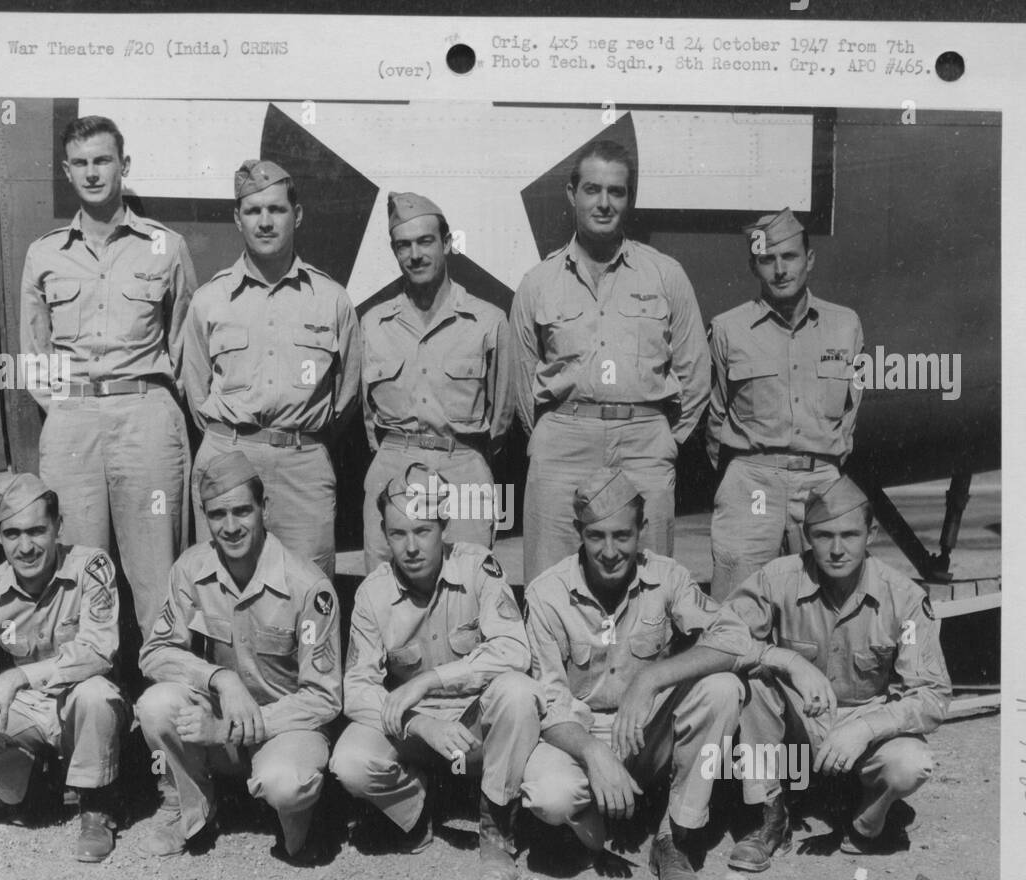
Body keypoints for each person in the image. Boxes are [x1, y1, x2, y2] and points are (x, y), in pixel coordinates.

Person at [692, 476, 952, 868]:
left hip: (863, 723)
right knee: (751, 680)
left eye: (849, 535)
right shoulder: (777, 579)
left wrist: (864, 728)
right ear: (806, 536)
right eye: (823, 535)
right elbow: (722, 638)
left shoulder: (904, 597)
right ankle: (769, 813)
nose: (835, 550)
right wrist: (785, 660)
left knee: (911, 763)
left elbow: (932, 694)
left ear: (872, 533)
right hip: (797, 726)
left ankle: (866, 816)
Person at [520, 468, 743, 880]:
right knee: (550, 796)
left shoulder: (669, 576)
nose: (609, 551)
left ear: (642, 531)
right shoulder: (546, 595)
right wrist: (593, 752)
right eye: (596, 536)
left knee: (722, 690)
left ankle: (674, 834)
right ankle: (591, 829)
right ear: (577, 533)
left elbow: (734, 638)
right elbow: (548, 704)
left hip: (646, 732)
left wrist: (652, 678)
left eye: (622, 536)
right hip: (578, 736)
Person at [20, 115, 198, 640]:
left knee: (157, 574)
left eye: (103, 160)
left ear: (124, 165)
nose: (93, 172)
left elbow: (185, 346)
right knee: (75, 574)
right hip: (72, 420)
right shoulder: (44, 253)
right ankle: (86, 704)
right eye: (81, 163)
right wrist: (67, 408)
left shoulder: (166, 246)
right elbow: (34, 354)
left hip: (146, 417)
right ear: (66, 171)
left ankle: (167, 706)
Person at [332, 464, 541, 880]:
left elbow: (514, 650)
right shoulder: (372, 593)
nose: (411, 547)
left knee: (518, 692)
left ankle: (496, 828)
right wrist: (418, 722)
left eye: (423, 531)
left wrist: (429, 680)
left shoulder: (479, 568)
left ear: (443, 526)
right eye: (397, 534)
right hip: (418, 735)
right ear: (384, 536)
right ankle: (415, 810)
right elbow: (355, 687)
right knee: (349, 760)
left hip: (472, 727)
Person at [511, 140, 710, 584]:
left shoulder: (665, 275)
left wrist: (663, 439)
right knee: (550, 583)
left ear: (629, 197)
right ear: (571, 193)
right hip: (563, 445)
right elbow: (522, 383)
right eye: (593, 190)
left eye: (616, 192)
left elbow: (696, 375)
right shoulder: (538, 283)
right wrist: (555, 432)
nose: (604, 203)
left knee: (652, 585)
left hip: (644, 445)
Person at [134, 451, 341, 862]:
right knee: (155, 705)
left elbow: (324, 698)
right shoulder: (191, 570)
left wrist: (232, 729)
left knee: (284, 785)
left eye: (242, 511)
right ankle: (194, 809)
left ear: (264, 508)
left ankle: (296, 816)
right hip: (221, 720)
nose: (230, 527)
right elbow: (155, 652)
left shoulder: (308, 587)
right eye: (217, 515)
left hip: (285, 727)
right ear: (205, 517)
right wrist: (219, 679)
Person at [181, 158, 362, 578]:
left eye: (277, 210)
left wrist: (297, 437)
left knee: (310, 587)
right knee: (220, 589)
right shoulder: (210, 301)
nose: (265, 222)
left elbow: (346, 396)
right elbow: (196, 390)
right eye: (253, 211)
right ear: (237, 219)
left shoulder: (331, 300)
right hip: (227, 456)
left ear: (296, 215)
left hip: (303, 465)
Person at [0, 474, 129, 863]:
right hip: (34, 712)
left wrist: (17, 676)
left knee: (95, 694)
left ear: (58, 525)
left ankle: (96, 806)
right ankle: (33, 791)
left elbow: (98, 650)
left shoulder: (91, 567)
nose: (26, 547)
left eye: (38, 531)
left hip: (84, 706)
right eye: (13, 534)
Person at [706, 207, 865, 601]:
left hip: (821, 484)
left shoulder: (845, 326)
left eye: (789, 257)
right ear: (753, 265)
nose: (779, 269)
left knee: (829, 611)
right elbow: (714, 416)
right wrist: (743, 476)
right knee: (736, 615)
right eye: (767, 260)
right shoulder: (728, 329)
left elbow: (850, 412)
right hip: (751, 484)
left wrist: (823, 466)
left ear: (808, 260)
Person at [360, 192, 515, 570]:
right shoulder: (374, 325)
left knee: (469, 583)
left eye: (425, 241)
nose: (415, 254)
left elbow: (503, 415)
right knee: (385, 592)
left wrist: (463, 453)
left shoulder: (488, 322)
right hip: (392, 466)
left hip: (463, 468)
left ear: (447, 243)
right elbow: (367, 415)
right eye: (403, 245)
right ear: (394, 251)